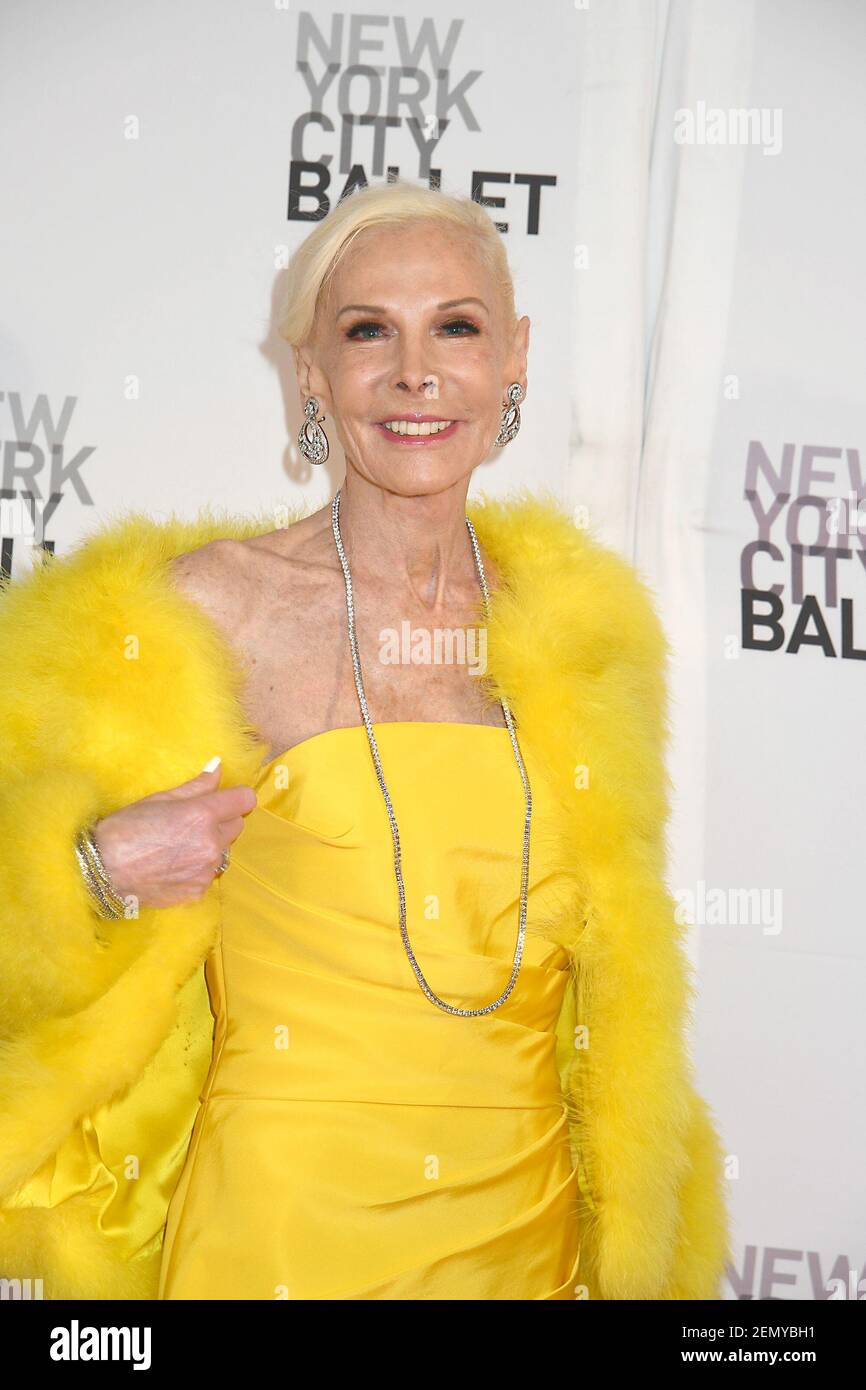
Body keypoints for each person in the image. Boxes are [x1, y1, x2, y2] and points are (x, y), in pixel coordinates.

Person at [0, 180, 729, 1300]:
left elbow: (617, 994)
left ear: (513, 357)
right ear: (310, 375)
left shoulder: (586, 635)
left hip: (526, 1237)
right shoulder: (195, 615)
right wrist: (92, 868)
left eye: (456, 327)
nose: (415, 373)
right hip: (283, 1230)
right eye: (365, 332)